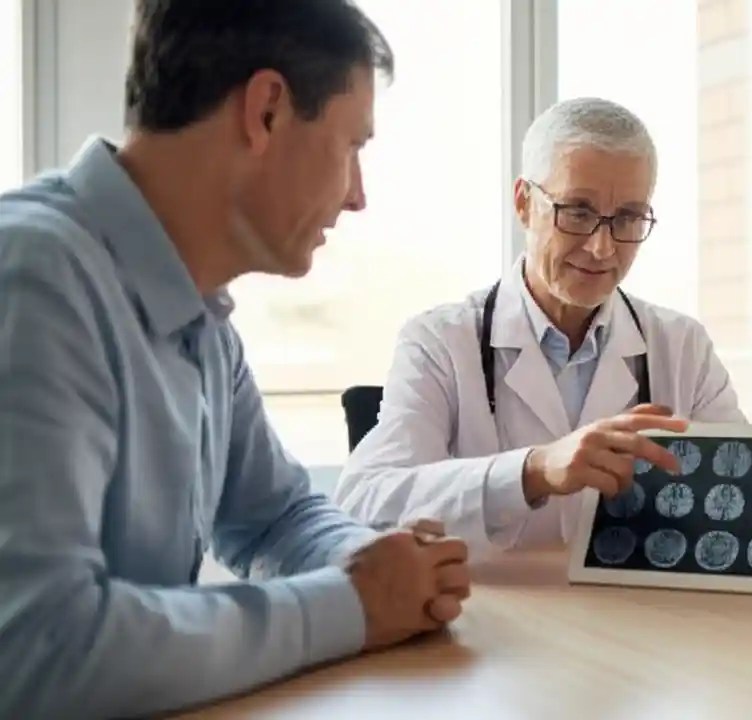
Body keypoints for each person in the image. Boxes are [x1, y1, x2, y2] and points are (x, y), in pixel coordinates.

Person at [0, 2, 471, 717]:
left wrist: (381, 563)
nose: (357, 196)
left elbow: (274, 517)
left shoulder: (203, 318)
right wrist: (351, 606)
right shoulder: (37, 276)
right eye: (352, 146)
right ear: (268, 111)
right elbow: (41, 646)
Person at [335, 97, 746, 554]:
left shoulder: (682, 346)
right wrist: (533, 471)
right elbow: (363, 503)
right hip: (491, 615)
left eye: (627, 217)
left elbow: (744, 499)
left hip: (634, 618)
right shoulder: (440, 342)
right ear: (524, 203)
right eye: (578, 212)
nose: (602, 247)